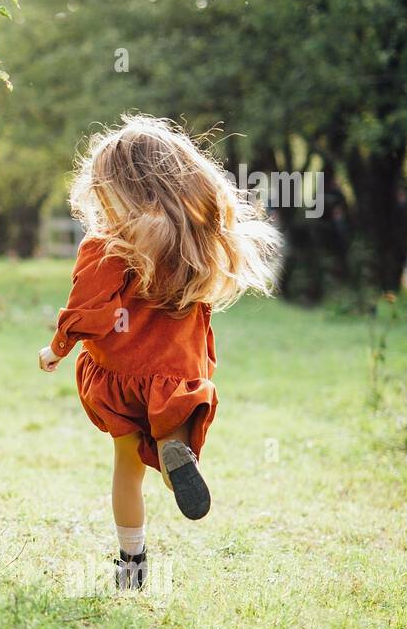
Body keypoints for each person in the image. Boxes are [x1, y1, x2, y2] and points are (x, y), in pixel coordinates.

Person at [39, 115, 281, 590]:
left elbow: (91, 312)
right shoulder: (195, 240)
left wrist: (56, 349)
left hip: (121, 377)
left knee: (127, 469)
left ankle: (132, 565)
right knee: (173, 448)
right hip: (173, 378)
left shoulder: (108, 244)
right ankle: (176, 458)